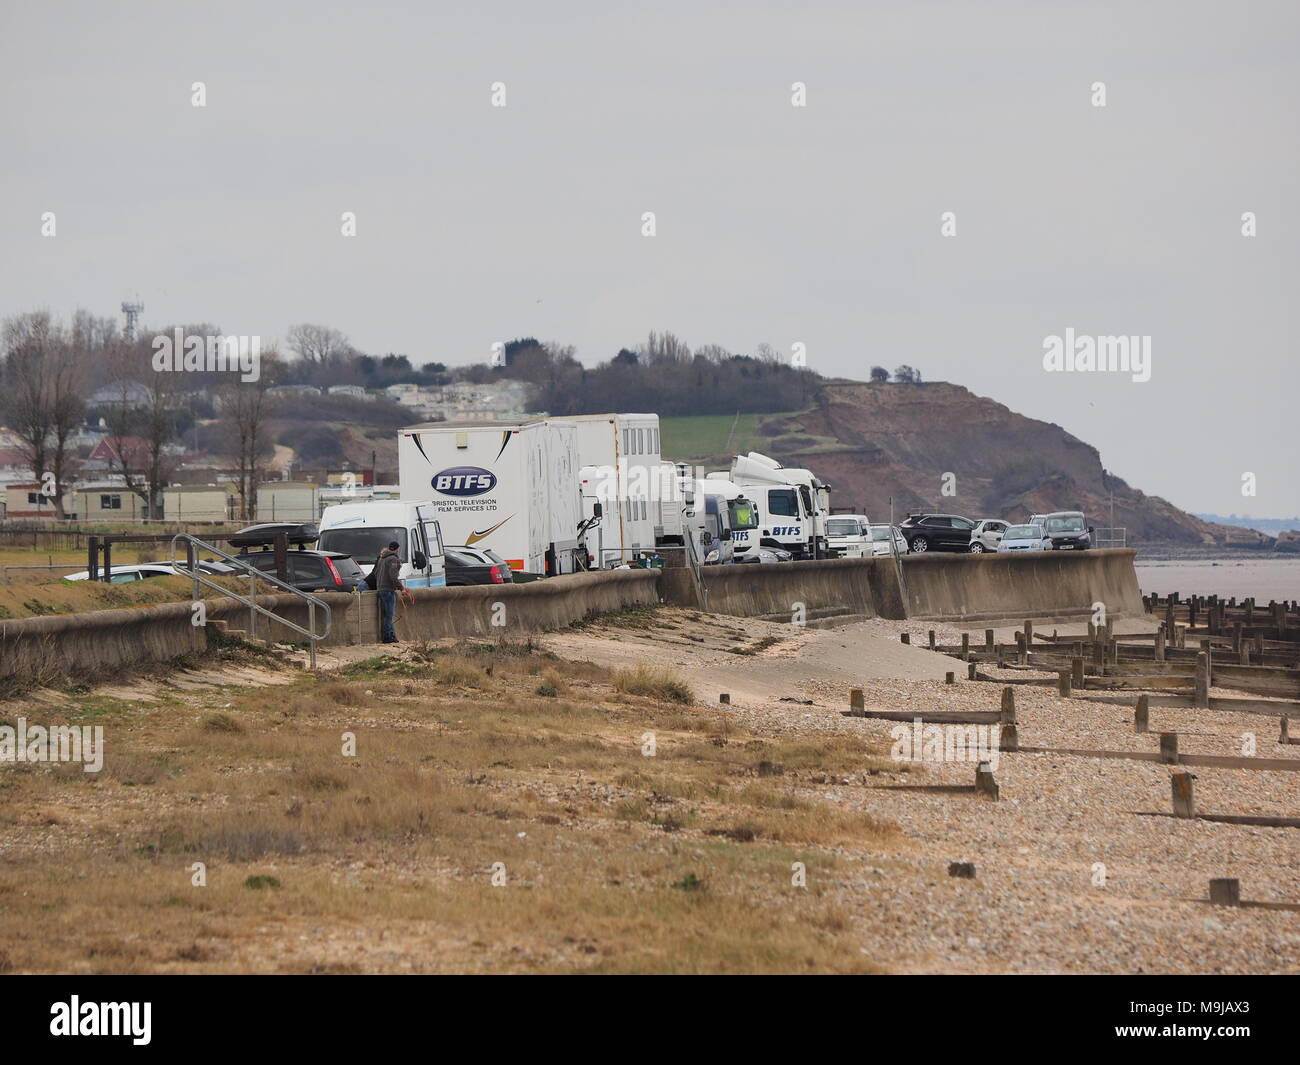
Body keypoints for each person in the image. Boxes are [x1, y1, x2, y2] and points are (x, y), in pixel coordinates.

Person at [375, 540, 405, 644]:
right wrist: (402, 588)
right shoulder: (393, 559)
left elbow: (376, 573)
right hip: (387, 590)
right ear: (397, 549)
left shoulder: (382, 558)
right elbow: (393, 576)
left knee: (387, 614)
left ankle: (390, 634)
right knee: (389, 615)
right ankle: (388, 636)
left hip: (380, 588)